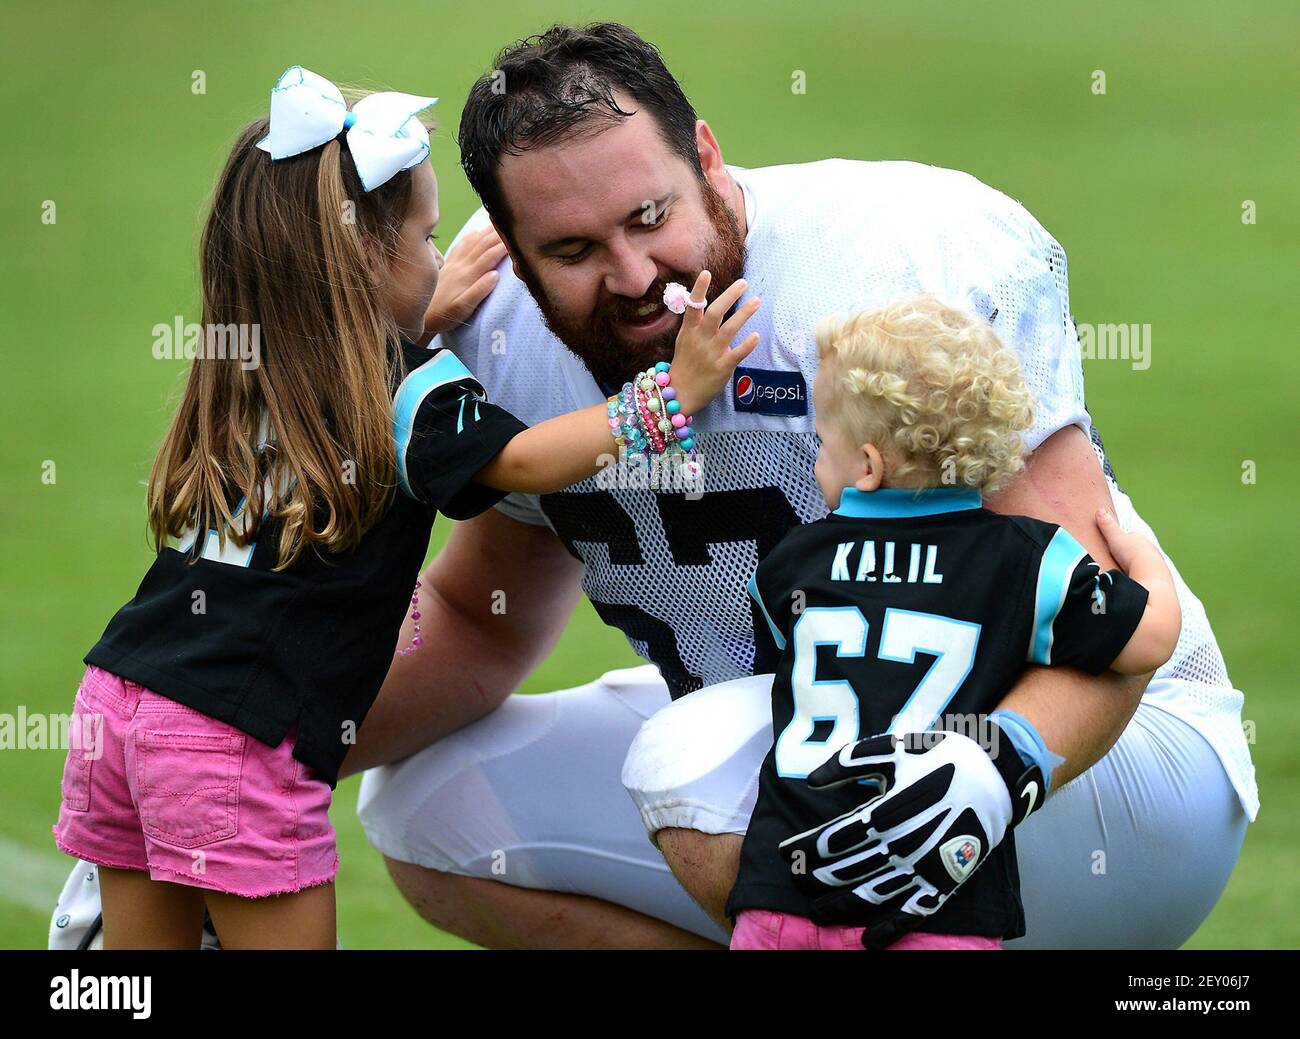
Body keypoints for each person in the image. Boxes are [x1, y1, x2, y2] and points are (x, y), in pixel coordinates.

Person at [51, 22, 1256, 950]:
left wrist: (995, 764)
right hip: (788, 758)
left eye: (650, 216)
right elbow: (478, 620)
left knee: (693, 753)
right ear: (512, 252)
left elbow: (1092, 613)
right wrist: (208, 777)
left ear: (709, 158)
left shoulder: (887, 260)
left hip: (1091, 771)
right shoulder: (501, 336)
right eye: (572, 251)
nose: (631, 274)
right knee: (433, 813)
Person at [48, 64, 756, 949]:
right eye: (425, 241)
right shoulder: (414, 395)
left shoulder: (254, 368)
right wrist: (666, 398)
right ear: (358, 260)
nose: (440, 257)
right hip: (232, 745)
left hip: (117, 702)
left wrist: (418, 310)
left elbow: (367, 375)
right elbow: (525, 459)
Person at [726, 295, 1181, 951]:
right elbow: (1149, 642)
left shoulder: (791, 565)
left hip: (783, 889)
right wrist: (1149, 564)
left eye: (823, 442)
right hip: (936, 896)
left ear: (868, 465)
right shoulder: (1028, 558)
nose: (817, 459)